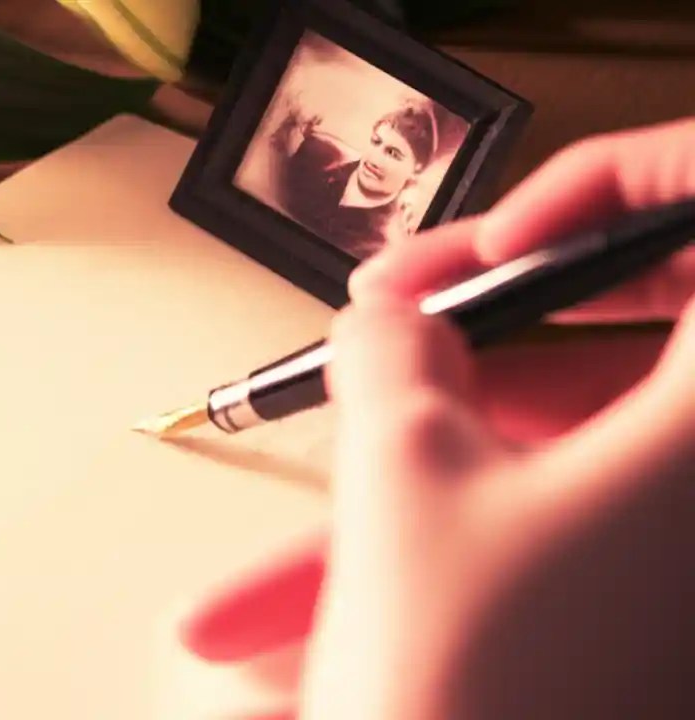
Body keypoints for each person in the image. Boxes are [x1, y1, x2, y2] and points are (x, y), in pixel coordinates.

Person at [179, 116, 695, 719]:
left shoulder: (384, 227)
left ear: (415, 171)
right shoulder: (321, 169)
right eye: (376, 141)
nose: (376, 156)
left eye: (395, 151)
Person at [275, 101, 438, 258]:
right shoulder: (316, 153)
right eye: (376, 142)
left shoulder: (379, 246)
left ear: (417, 169)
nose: (373, 159)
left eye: (392, 153)